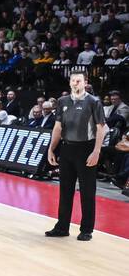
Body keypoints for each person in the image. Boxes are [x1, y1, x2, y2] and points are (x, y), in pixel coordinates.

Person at [45, 69, 107, 241]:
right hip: (66, 149)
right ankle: (62, 227)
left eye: (79, 80)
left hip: (86, 149)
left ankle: (87, 229)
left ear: (86, 82)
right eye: (73, 80)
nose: (75, 83)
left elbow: (101, 128)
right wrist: (52, 148)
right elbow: (58, 127)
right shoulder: (62, 101)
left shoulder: (94, 101)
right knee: (65, 190)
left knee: (87, 191)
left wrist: (96, 151)